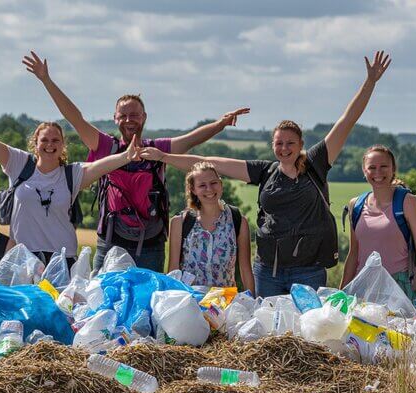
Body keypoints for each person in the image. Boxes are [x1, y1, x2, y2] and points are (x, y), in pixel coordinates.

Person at [139, 51, 392, 297]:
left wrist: (369, 82)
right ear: (272, 145)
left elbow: (347, 121)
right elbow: (209, 163)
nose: (284, 149)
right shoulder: (265, 171)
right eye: (279, 143)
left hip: (309, 271)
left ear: (301, 144)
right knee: (269, 334)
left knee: (309, 334)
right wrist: (165, 158)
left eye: (291, 143)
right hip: (268, 271)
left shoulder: (316, 164)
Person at [23, 51, 250, 271]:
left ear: (144, 118)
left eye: (135, 115)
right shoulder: (105, 146)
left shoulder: (157, 149)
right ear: (115, 118)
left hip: (150, 244)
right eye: (123, 115)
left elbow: (189, 140)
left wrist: (220, 124)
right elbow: (74, 117)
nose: (129, 120)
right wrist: (46, 80)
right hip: (111, 241)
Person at [0, 106, 144, 267]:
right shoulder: (19, 164)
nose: (50, 145)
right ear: (35, 143)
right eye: (45, 140)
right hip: (24, 257)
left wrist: (126, 156)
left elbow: (100, 166)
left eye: (55, 141)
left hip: (62, 258)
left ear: (62, 145)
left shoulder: (72, 174)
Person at [340, 145, 416, 304]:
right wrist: (341, 294)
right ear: (364, 170)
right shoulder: (356, 205)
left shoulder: (408, 202)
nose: (378, 172)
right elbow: (354, 254)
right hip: (364, 289)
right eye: (372, 167)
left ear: (393, 169)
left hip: (398, 288)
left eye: (384, 167)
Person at [167, 162, 254, 292]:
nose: (209, 189)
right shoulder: (179, 222)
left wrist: (252, 301)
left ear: (221, 184)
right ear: (193, 189)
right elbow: (173, 271)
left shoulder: (238, 221)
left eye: (214, 183)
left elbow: (245, 269)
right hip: (190, 302)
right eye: (202, 185)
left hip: (224, 303)